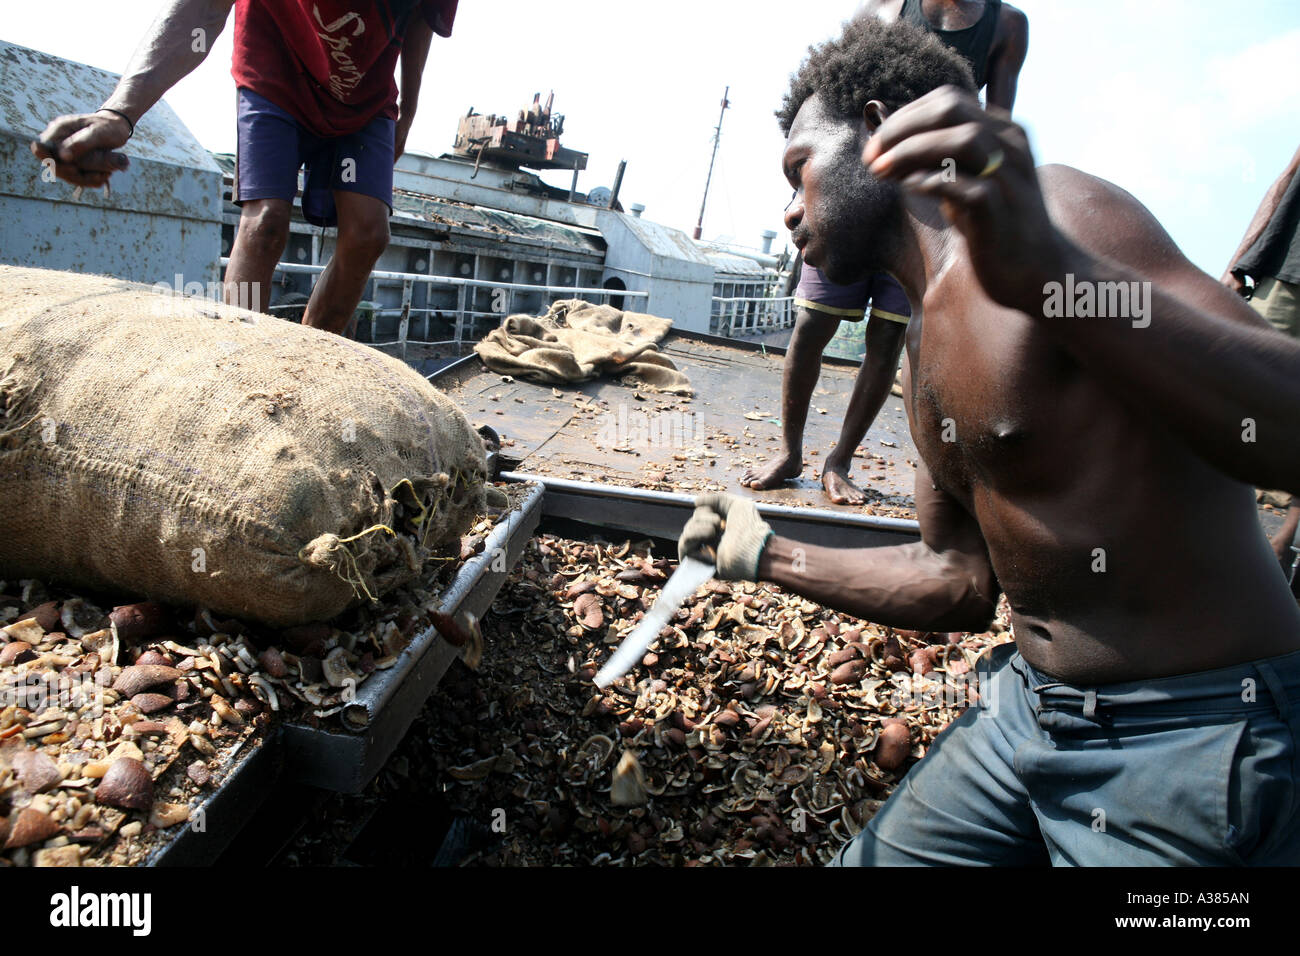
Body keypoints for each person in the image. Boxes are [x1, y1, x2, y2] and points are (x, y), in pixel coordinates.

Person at [681, 17, 1300, 864]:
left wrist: (1054, 274)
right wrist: (767, 554)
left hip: (1195, 734)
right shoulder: (920, 346)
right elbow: (958, 580)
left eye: (799, 173)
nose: (789, 210)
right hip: (1027, 712)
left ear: (875, 129)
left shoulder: (1062, 214)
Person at [743, 0, 1028, 505]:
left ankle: (840, 461)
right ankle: (789, 451)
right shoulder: (883, 10)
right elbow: (835, 103)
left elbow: (997, 127)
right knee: (811, 326)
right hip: (857, 193)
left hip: (924, 204)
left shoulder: (1006, 26)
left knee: (886, 340)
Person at [30, 0, 457, 335]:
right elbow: (205, 8)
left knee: (367, 234)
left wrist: (407, 117)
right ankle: (241, 370)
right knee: (265, 222)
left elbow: (422, 20)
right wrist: (120, 113)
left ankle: (310, 371)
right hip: (275, 69)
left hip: (365, 98)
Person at [1224, 143, 1300, 569]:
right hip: (1286, 273)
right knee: (1243, 388)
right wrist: (1240, 262)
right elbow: (1286, 180)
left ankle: (1285, 541)